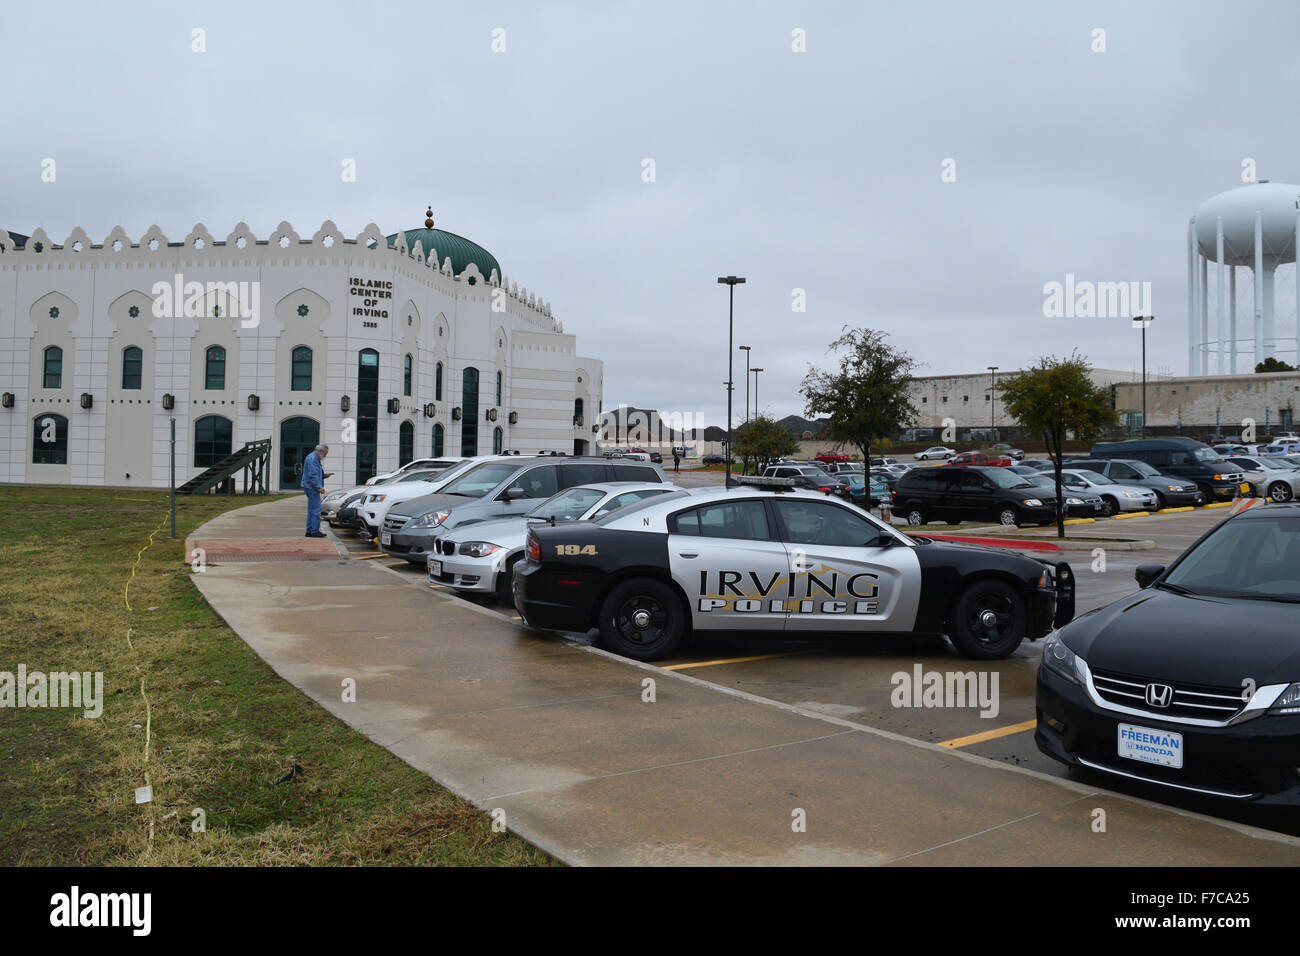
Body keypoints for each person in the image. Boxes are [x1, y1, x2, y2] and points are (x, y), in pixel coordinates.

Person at [301, 444, 332, 538]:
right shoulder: (313, 459)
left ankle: (309, 530)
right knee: (316, 510)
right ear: (320, 451)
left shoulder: (312, 457)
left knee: (311, 510)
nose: (325, 456)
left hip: (309, 486)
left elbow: (314, 473)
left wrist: (324, 476)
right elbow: (313, 475)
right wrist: (319, 487)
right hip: (312, 487)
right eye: (325, 454)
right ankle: (314, 531)